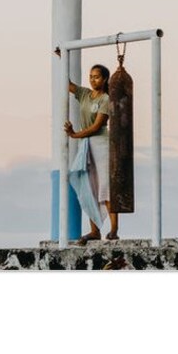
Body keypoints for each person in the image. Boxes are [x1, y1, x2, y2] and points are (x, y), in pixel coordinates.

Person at [65, 64, 119, 243]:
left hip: (101, 144)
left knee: (105, 187)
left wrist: (74, 134)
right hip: (86, 146)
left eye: (96, 77)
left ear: (104, 79)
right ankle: (94, 231)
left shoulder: (105, 99)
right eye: (91, 76)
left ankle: (113, 229)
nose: (93, 79)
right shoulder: (85, 94)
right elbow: (68, 85)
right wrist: (63, 60)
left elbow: (96, 127)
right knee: (89, 187)